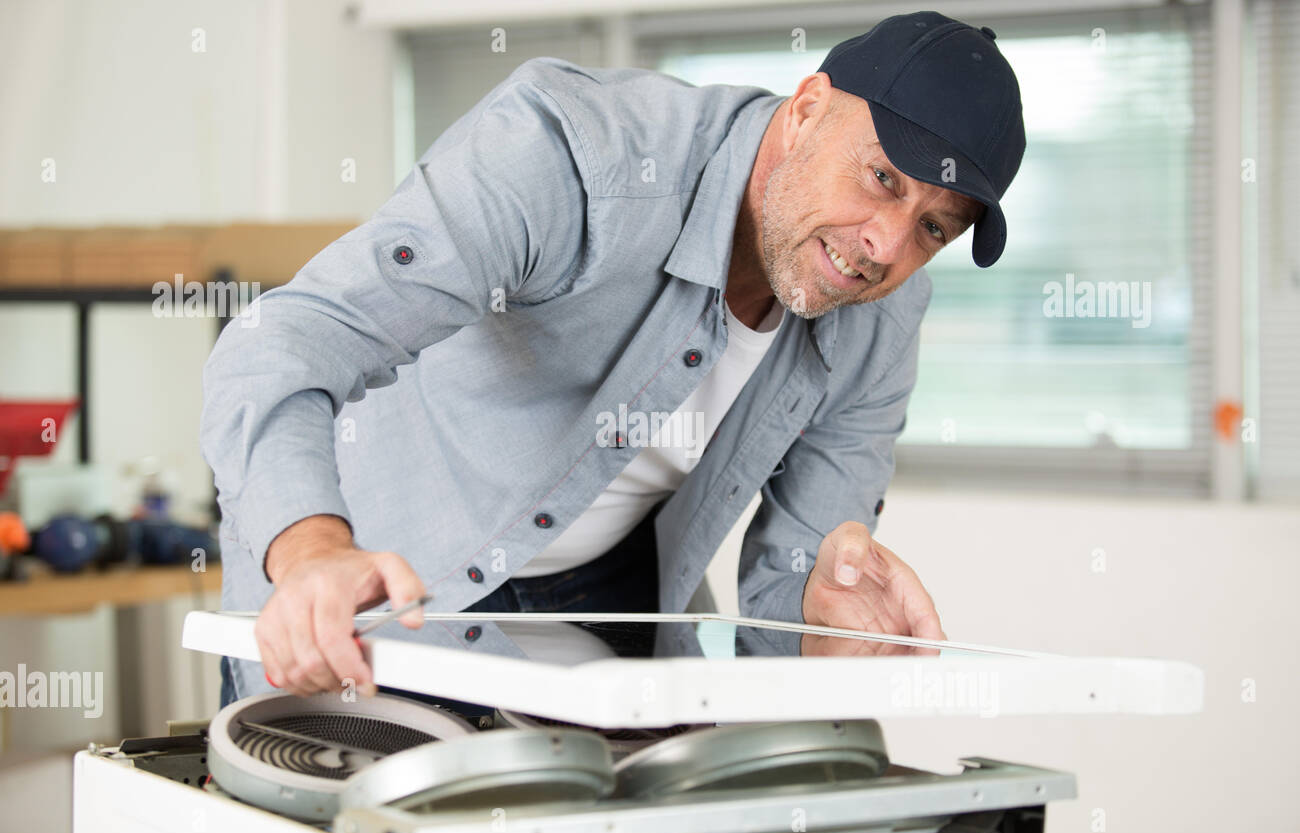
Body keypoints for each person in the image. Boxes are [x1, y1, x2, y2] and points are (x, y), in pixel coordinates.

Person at [201, 11, 1025, 704]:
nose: (886, 245)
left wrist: (826, 621)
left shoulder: (883, 310)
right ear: (807, 109)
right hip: (382, 575)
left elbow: (794, 589)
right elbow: (284, 343)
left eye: (934, 227)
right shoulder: (571, 156)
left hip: (610, 602)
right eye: (882, 177)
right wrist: (311, 555)